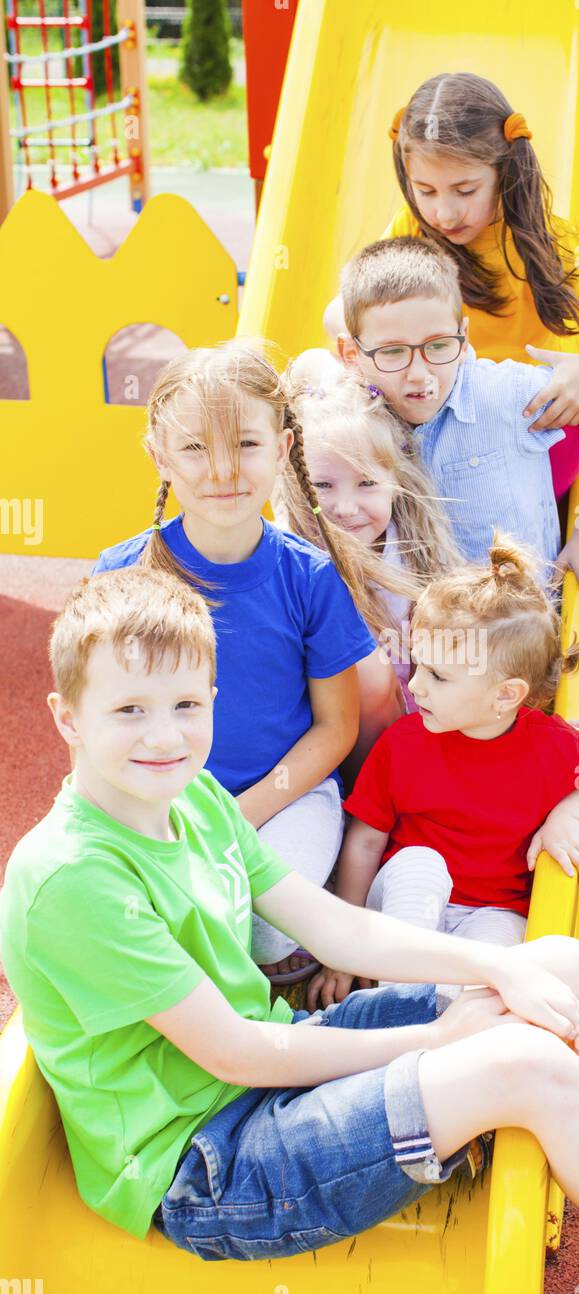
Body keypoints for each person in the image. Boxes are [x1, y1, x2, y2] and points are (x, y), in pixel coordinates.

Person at [1, 564, 579, 1294]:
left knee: (563, 967)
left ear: (213, 698)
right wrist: (437, 1036)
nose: (165, 734)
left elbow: (337, 928)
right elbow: (237, 1057)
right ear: (68, 717)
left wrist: (497, 967)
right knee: (528, 1067)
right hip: (206, 1168)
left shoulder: (193, 802)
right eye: (129, 711)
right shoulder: (77, 878)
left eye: (187, 703)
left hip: (266, 1081)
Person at [91, 338, 420, 987]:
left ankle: (309, 906)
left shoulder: (310, 577)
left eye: (245, 444)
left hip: (284, 798)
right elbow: (101, 717)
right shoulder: (121, 574)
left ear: (283, 448)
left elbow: (336, 728)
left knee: (258, 928)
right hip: (163, 796)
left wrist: (239, 819)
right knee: (127, 916)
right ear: (159, 455)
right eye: (194, 447)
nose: (222, 471)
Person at [324, 72, 579, 623]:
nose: (444, 213)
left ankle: (501, 610)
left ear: (505, 172)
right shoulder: (411, 229)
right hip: (443, 411)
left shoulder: (544, 237)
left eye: (465, 191)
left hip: (528, 418)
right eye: (425, 191)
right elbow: (343, 310)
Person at [308, 534, 579, 1011]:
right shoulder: (406, 742)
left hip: (493, 910)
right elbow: (366, 840)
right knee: (421, 866)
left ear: (505, 695)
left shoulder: (553, 746)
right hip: (407, 903)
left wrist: (568, 817)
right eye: (418, 665)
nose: (415, 685)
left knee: (501, 957)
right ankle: (396, 1004)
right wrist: (344, 947)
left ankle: (441, 1019)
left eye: (438, 676)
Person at [335, 235, 579, 609]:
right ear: (350, 353)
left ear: (463, 338)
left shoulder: (505, 394)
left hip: (516, 636)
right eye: (393, 352)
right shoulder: (354, 416)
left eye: (438, 345)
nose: (418, 373)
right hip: (417, 638)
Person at [272, 363, 463, 726]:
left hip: (408, 723)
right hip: (315, 726)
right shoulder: (289, 560)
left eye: (367, 484)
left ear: (397, 480)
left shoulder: (415, 551)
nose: (345, 508)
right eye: (322, 486)